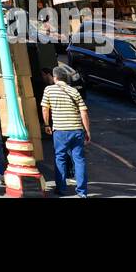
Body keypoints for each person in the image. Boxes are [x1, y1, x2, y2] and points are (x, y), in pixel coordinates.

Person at [41, 64, 90, 198]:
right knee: (79, 160)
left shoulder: (49, 90)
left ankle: (61, 189)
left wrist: (46, 124)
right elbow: (84, 112)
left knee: (60, 158)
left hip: (60, 131)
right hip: (76, 130)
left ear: (55, 77)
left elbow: (45, 108)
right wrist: (87, 131)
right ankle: (82, 192)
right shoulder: (74, 91)